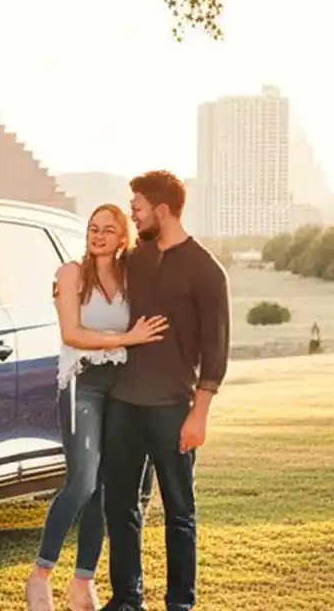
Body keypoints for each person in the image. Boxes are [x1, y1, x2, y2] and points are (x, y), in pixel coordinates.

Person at [25, 204, 169, 611]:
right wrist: (128, 339)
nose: (98, 235)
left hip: (120, 387)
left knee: (106, 490)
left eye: (108, 229)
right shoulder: (70, 273)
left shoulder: (129, 276)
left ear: (122, 238)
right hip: (82, 383)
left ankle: (82, 585)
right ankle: (39, 577)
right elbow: (71, 334)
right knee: (82, 482)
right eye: (93, 228)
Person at [101, 171, 230, 611]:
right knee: (119, 507)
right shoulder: (136, 261)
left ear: (162, 210)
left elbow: (216, 350)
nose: (133, 216)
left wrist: (200, 414)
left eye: (137, 209)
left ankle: (180, 604)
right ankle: (127, 599)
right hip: (124, 404)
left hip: (173, 407)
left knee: (179, 512)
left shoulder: (206, 270)